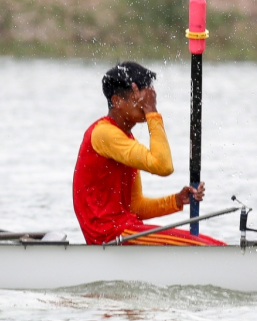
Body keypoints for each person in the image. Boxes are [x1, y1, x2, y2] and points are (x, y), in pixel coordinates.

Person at [72, 62, 221, 246]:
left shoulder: (125, 138)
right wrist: (152, 112)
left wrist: (176, 200)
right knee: (208, 247)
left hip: (123, 230)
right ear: (117, 101)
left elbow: (135, 207)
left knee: (213, 244)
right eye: (140, 95)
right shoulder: (105, 134)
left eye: (148, 97)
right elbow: (163, 166)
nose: (147, 101)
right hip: (110, 234)